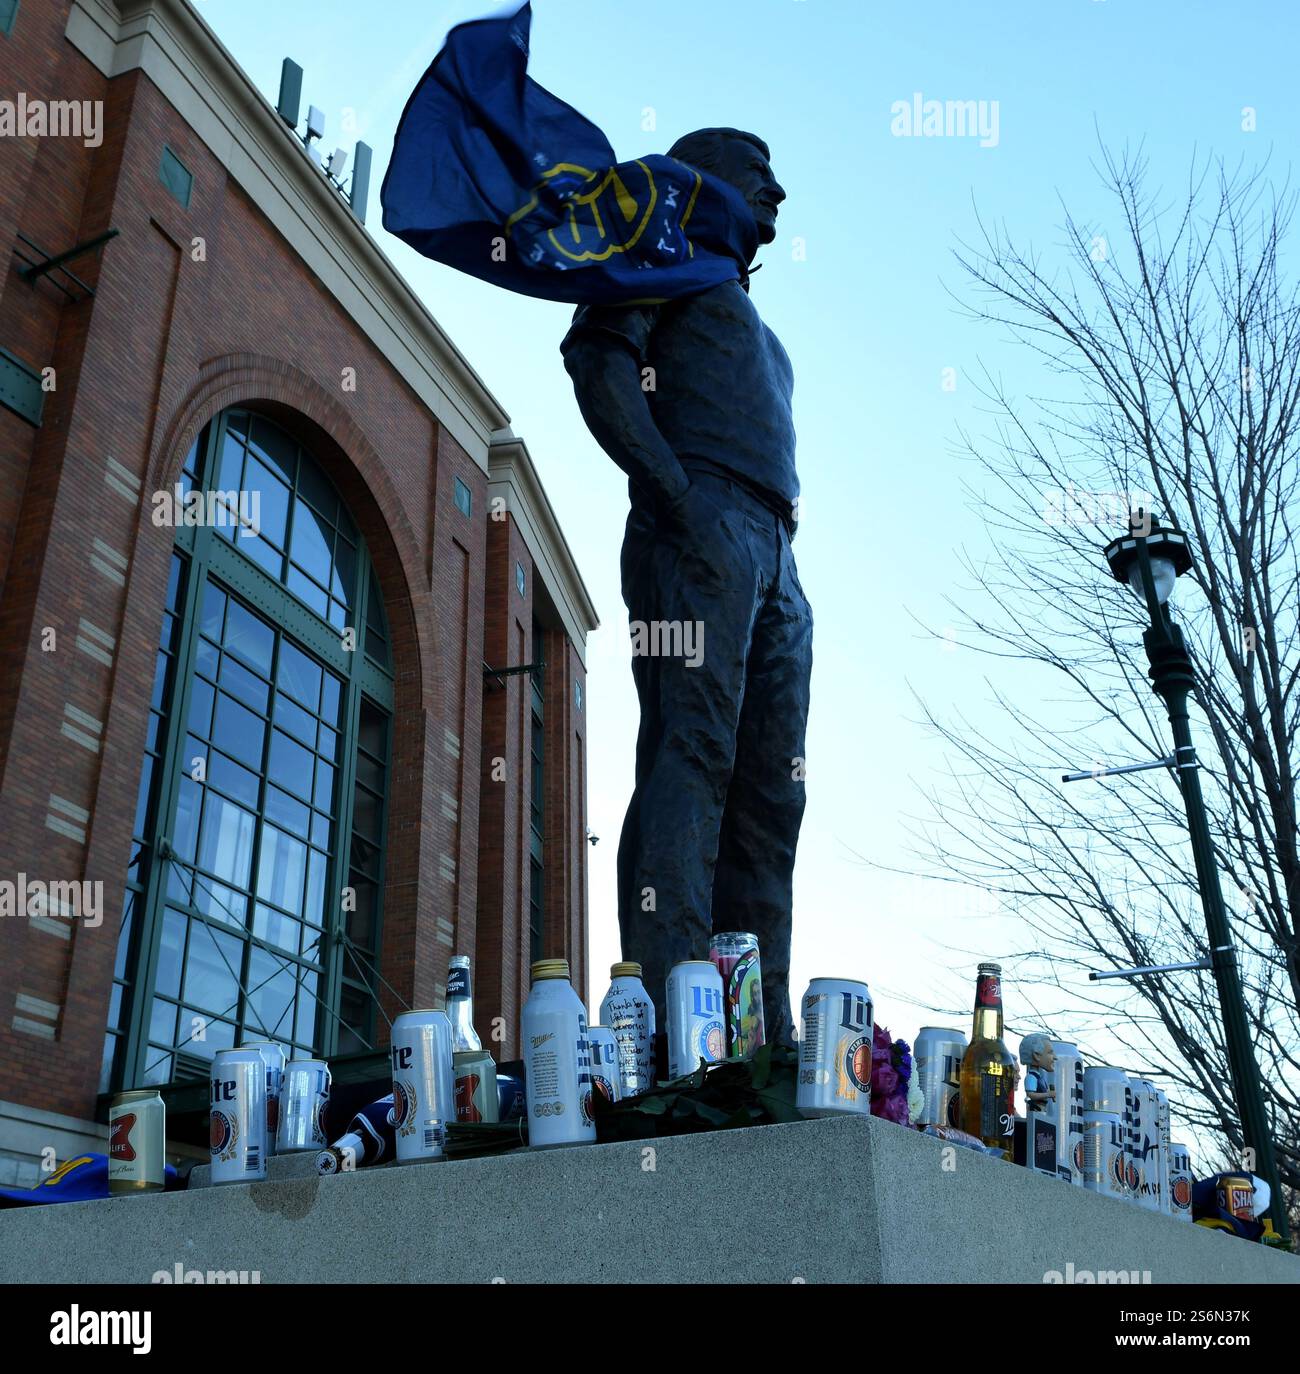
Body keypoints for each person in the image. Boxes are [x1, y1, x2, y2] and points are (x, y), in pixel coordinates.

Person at [561, 128, 811, 1047]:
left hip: (776, 548)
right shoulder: (663, 251)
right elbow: (597, 362)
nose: (777, 191)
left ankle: (758, 1032)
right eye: (759, 172)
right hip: (698, 519)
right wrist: (673, 496)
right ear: (705, 177)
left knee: (770, 792)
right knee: (692, 751)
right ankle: (677, 1015)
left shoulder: (766, 339)